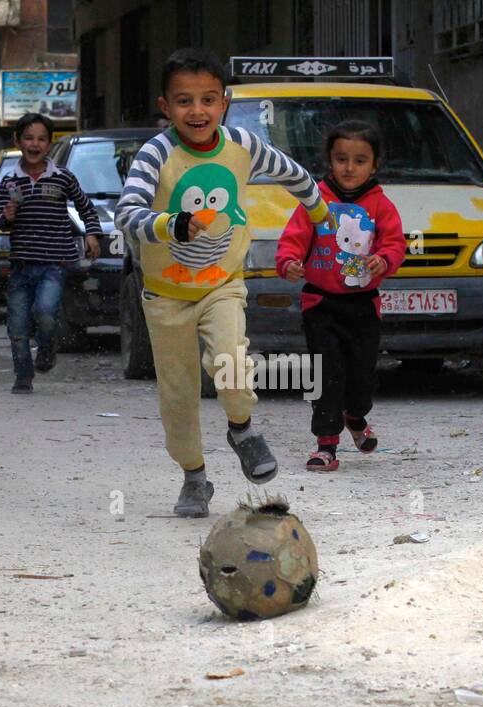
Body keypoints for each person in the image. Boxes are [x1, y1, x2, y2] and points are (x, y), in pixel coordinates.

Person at [115, 47, 331, 517]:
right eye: (184, 101)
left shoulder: (242, 145)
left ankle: (243, 429)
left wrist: (319, 211)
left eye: (208, 99)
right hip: (165, 296)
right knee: (177, 395)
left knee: (231, 361)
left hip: (222, 284)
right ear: (165, 106)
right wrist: (169, 224)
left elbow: (293, 173)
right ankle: (194, 477)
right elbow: (126, 212)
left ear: (224, 102)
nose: (198, 111)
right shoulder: (157, 153)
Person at [276, 120, 405, 471]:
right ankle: (326, 446)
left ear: (374, 165)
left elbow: (395, 244)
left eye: (360, 160)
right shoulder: (314, 200)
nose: (349, 168)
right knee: (326, 373)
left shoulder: (381, 205)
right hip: (320, 303)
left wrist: (384, 260)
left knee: (362, 376)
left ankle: (356, 417)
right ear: (329, 160)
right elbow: (294, 238)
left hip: (363, 305)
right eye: (341, 158)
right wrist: (287, 262)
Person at [0, 111, 102, 393]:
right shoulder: (9, 182)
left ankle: (48, 346)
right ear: (18, 140)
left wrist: (91, 234)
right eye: (28, 137)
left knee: (46, 313)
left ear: (50, 143)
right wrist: (8, 215)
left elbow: (86, 206)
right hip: (21, 265)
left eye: (41, 138)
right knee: (16, 324)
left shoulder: (63, 177)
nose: (35, 144)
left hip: (55, 262)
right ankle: (23, 377)